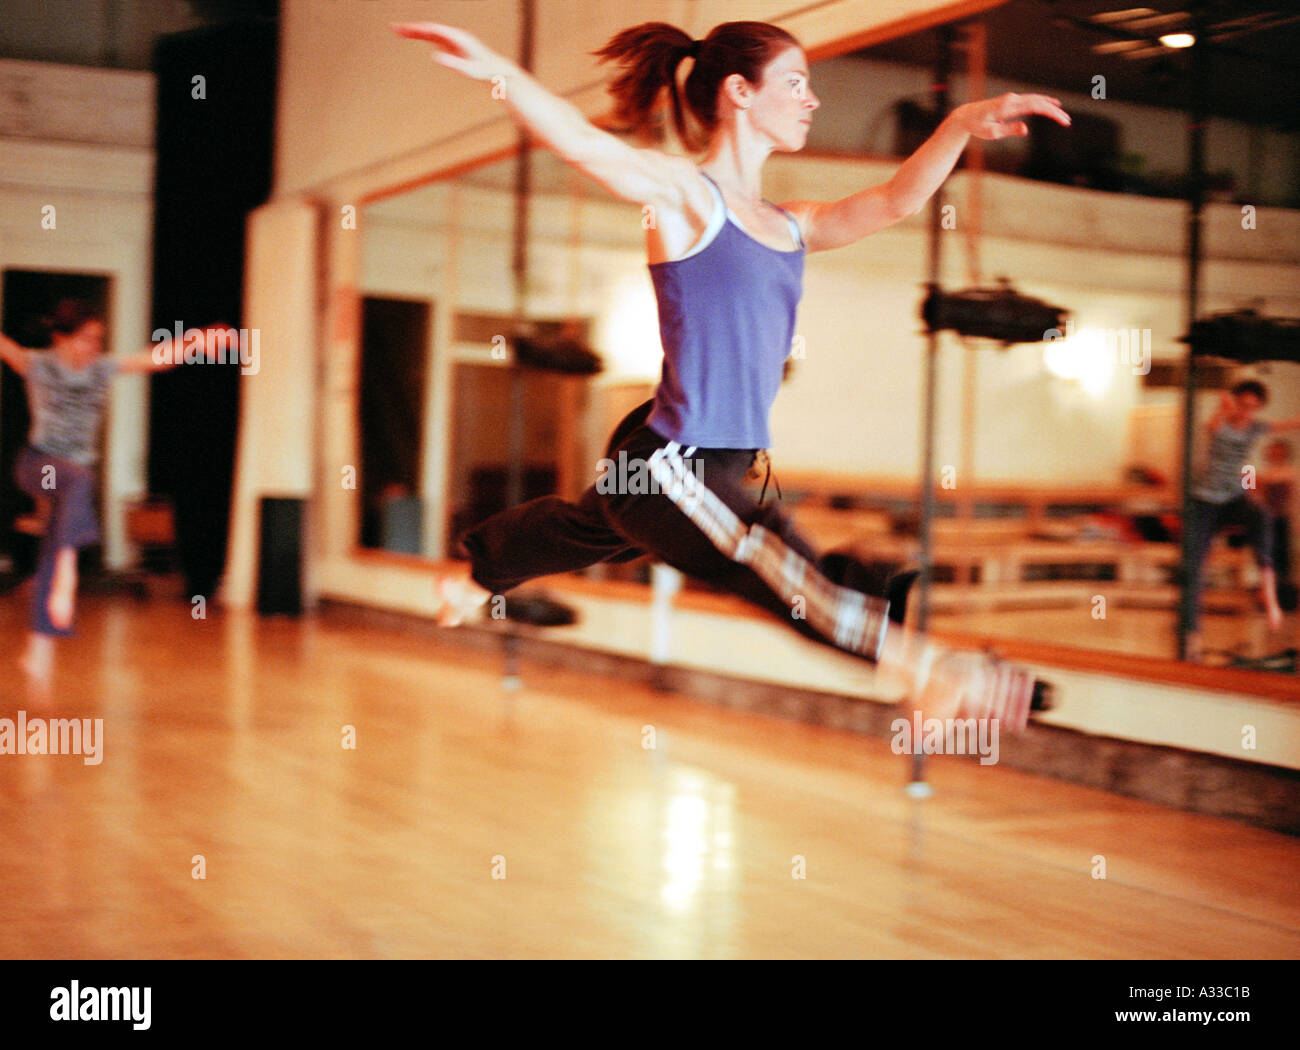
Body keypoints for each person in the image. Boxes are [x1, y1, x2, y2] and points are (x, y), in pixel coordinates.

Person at [393, 19, 1070, 715]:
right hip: (676, 460)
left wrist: (958, 124)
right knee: (768, 556)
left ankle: (475, 581)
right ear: (741, 92)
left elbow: (896, 200)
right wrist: (495, 70)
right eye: (797, 82)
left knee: (588, 526)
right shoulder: (688, 200)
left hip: (685, 456)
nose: (811, 100)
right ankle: (928, 668)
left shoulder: (790, 224)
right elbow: (581, 141)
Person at [0, 300, 230, 680]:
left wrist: (198, 339)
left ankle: (39, 646)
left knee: (56, 542)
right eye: (85, 340)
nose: (93, 348)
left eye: (98, 340)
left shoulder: (102, 369)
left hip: (71, 480)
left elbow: (154, 358)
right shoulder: (36, 364)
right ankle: (69, 567)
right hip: (37, 465)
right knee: (78, 482)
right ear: (61, 338)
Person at [1185, 380, 1300, 660]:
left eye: (1253, 407)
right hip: (1206, 502)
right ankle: (1191, 634)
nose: (1247, 412)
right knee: (1195, 565)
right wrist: (1223, 408)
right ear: (1235, 403)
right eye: (1243, 405)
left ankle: (1269, 595)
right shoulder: (1219, 423)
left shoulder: (1257, 427)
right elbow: (1212, 426)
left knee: (1261, 515)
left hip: (1234, 497)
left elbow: (1290, 424)